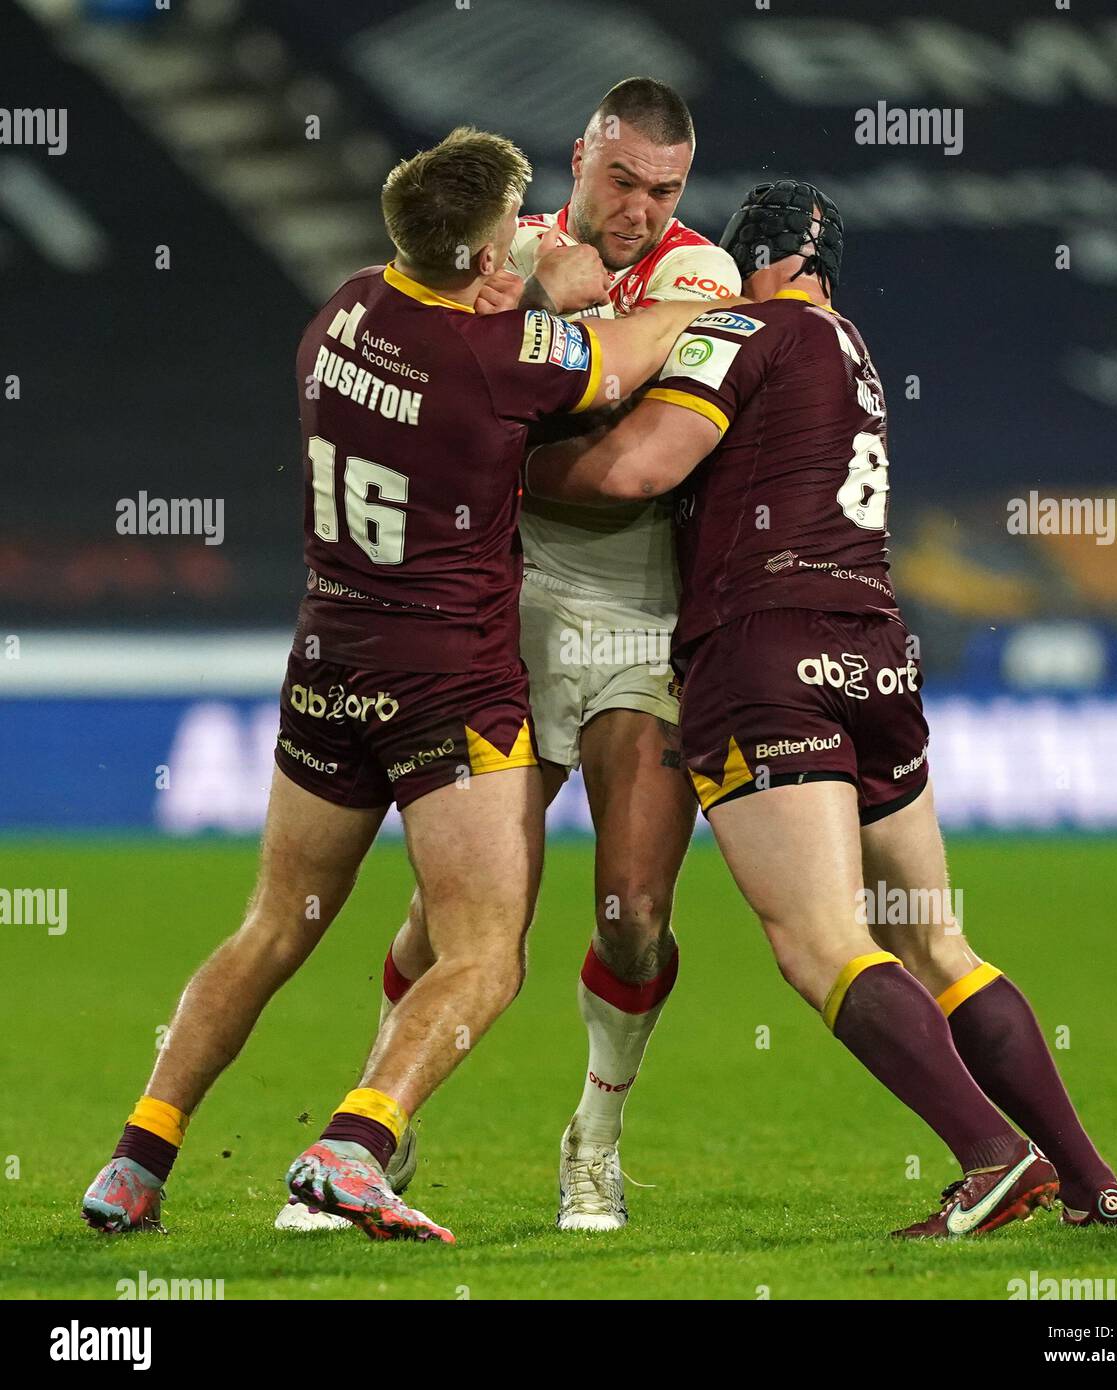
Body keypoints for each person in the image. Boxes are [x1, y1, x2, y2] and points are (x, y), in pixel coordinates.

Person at [80, 126, 732, 1243]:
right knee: (484, 951)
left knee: (273, 926)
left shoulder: (339, 313)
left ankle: (136, 1158)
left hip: (328, 662)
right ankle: (357, 1142)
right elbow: (622, 362)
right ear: (486, 260)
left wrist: (526, 290)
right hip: (447, 679)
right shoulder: (501, 361)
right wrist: (694, 307)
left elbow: (471, 322)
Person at [525, 179, 1117, 1236]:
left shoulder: (743, 324)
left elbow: (639, 466)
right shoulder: (852, 350)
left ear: (750, 259)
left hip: (763, 646)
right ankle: (1092, 1182)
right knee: (936, 941)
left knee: (821, 941)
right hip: (874, 653)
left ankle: (991, 1158)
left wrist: (496, 469)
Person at [282, 78, 742, 1235]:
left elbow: (640, 456)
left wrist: (482, 454)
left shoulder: (701, 277)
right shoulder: (509, 244)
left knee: (632, 907)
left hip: (643, 612)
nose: (639, 208)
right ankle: (377, 1123)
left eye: (665, 188)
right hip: (512, 609)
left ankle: (593, 1139)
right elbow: (429, 373)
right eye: (622, 178)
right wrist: (532, 315)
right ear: (580, 153)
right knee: (458, 917)